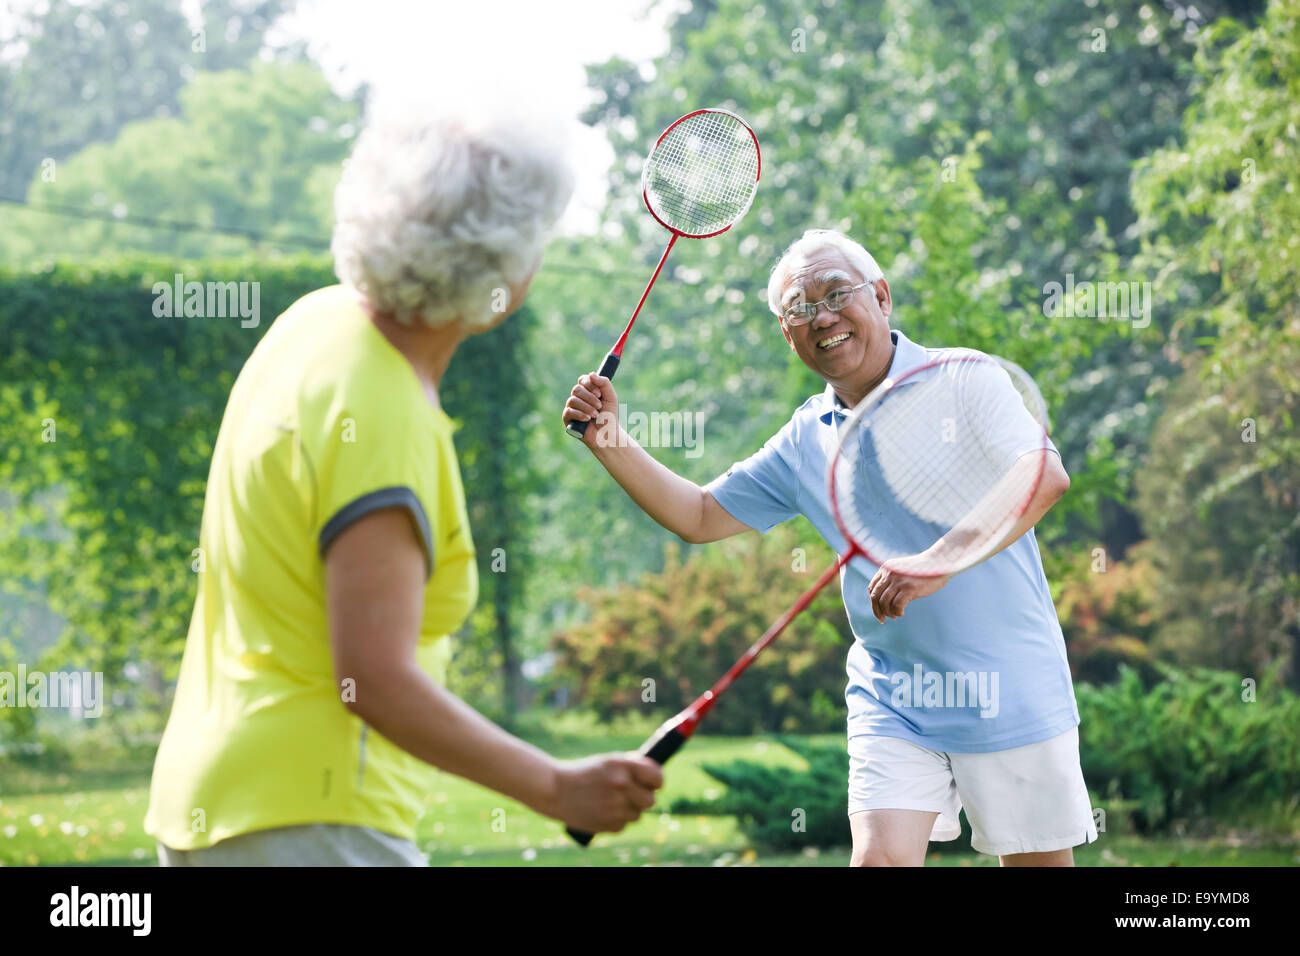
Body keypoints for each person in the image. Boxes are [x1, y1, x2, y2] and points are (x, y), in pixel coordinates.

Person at [144, 98, 662, 866]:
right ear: (499, 268)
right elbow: (375, 678)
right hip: (311, 821)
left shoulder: (310, 325)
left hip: (213, 802)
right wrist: (555, 786)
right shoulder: (383, 414)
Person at [563, 228, 1095, 867]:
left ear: (881, 296)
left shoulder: (965, 378)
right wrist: (609, 437)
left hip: (1007, 683)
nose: (822, 316)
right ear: (787, 334)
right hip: (895, 694)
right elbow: (700, 515)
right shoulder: (804, 438)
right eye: (798, 308)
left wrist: (939, 561)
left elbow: (1043, 474)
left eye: (837, 293)